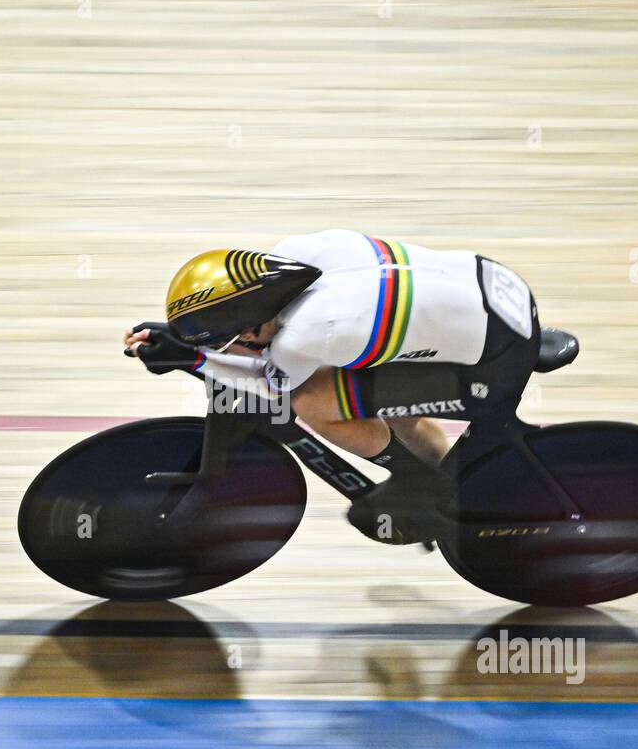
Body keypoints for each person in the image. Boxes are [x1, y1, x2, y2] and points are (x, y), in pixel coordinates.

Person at [124, 228, 563, 545]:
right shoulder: (293, 254)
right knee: (378, 397)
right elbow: (259, 351)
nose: (230, 347)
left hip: (496, 358)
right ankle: (439, 476)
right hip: (494, 291)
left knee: (316, 401)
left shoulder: (312, 330)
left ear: (255, 318)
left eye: (230, 337)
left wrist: (193, 359)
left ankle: (418, 484)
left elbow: (271, 387)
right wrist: (185, 340)